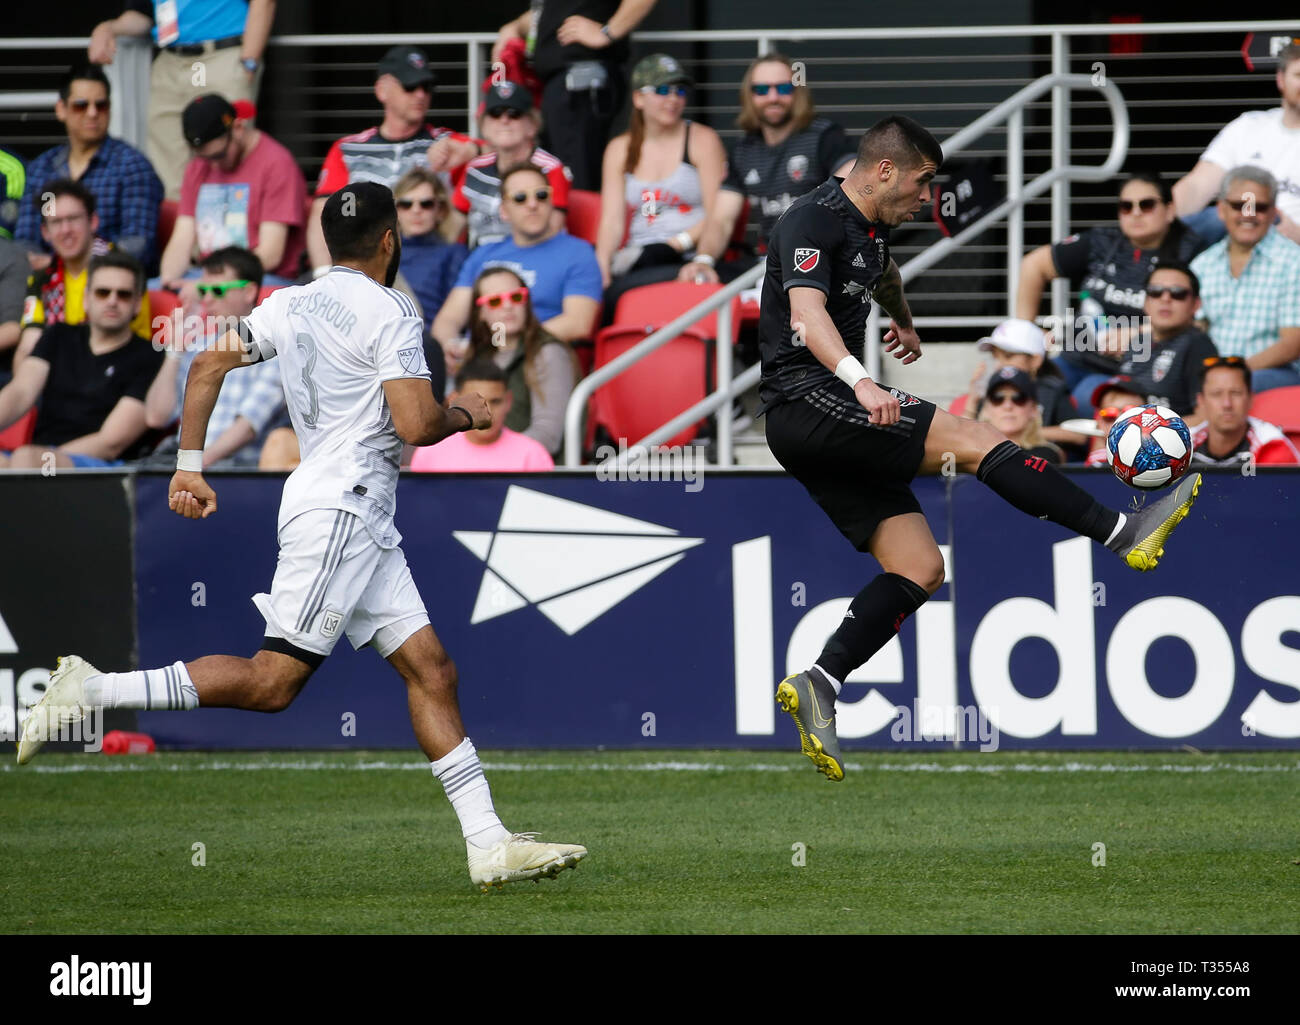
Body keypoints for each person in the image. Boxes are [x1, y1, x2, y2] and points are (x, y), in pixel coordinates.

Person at [15, 181, 588, 894]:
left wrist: (187, 466)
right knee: (272, 681)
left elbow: (205, 364)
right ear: (388, 240)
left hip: (350, 512)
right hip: (344, 508)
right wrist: (464, 412)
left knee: (433, 671)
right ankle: (93, 687)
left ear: (325, 242)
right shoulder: (393, 308)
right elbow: (414, 425)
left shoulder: (288, 302)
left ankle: (488, 843)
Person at [759, 116, 1203, 782]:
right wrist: (861, 380)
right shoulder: (809, 219)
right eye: (922, 181)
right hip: (808, 398)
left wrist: (902, 317)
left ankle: (822, 680)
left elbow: (879, 271)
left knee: (919, 567)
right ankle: (1124, 531)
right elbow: (807, 314)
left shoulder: (872, 225)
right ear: (884, 170)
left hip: (820, 418)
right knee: (975, 439)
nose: (927, 197)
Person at [1017, 171, 1207, 411]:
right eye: (1126, 206)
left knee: (1087, 399)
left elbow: (1203, 320)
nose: (1136, 213)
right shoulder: (1101, 240)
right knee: (1027, 392)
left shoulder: (1192, 251)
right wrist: (1026, 336)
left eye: (1146, 205)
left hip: (1136, 369)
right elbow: (1033, 265)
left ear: (1169, 210)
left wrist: (1140, 333)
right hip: (1075, 356)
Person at [681, 52, 858, 284]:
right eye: (762, 90)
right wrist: (703, 260)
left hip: (820, 257)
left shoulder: (824, 136)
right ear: (749, 96)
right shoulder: (743, 150)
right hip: (769, 264)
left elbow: (854, 182)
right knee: (700, 281)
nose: (773, 97)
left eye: (783, 89)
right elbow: (721, 219)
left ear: (797, 92)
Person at [306, 46, 482, 276]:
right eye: (410, 86)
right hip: (361, 266)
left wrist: (472, 149)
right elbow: (324, 213)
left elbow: (507, 147)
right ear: (382, 90)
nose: (420, 95)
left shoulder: (448, 143)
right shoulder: (348, 149)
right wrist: (323, 273)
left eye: (426, 87)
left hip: (431, 267)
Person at [88, 0, 276, 199]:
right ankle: (179, 229)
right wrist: (108, 27)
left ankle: (233, 228)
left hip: (222, 55)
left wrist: (249, 61)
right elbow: (141, 14)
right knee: (167, 169)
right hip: (172, 60)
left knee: (228, 157)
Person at [0, 251, 162, 469]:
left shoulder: (151, 356)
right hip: (37, 459)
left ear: (137, 304)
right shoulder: (58, 335)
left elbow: (110, 443)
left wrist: (42, 461)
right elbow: (20, 392)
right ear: (86, 299)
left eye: (123, 295)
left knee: (25, 458)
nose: (112, 301)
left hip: (103, 469)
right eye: (103, 293)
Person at [433, 164, 601, 373]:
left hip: (532, 361)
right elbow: (449, 318)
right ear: (504, 210)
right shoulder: (484, 253)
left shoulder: (578, 252)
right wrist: (450, 346)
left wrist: (505, 345)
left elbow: (578, 323)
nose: (532, 205)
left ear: (552, 201)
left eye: (541, 195)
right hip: (475, 364)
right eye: (520, 198)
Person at [595, 54, 726, 315]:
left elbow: (719, 214)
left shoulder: (702, 139)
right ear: (638, 98)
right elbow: (611, 221)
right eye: (663, 90)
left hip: (689, 257)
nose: (673, 99)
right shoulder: (619, 149)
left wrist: (678, 243)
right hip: (639, 259)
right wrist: (601, 267)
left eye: (680, 91)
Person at [493, 0, 659, 191]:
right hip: (557, 85)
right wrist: (514, 27)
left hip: (580, 82)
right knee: (560, 176)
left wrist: (607, 32)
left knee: (576, 182)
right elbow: (547, 13)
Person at [142, 246, 284, 468]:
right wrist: (174, 351)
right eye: (202, 291)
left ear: (249, 292)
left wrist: (194, 465)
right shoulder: (198, 345)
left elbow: (248, 426)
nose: (207, 300)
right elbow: (156, 417)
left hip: (236, 469)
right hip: (188, 466)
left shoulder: (273, 347)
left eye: (217, 290)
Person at [13, 64, 162, 270]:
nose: (92, 113)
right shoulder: (42, 168)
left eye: (101, 105)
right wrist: (55, 270)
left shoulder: (133, 166)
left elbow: (138, 245)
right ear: (61, 110)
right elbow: (25, 240)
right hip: (49, 284)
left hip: (111, 288)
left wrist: (74, 264)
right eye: (81, 105)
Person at [159, 94, 307, 290]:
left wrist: (209, 285)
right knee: (149, 290)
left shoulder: (277, 163)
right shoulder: (198, 167)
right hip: (206, 275)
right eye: (204, 158)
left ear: (237, 127)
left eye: (218, 155)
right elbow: (181, 238)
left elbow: (270, 255)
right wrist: (168, 280)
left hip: (261, 278)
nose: (213, 164)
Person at [13, 180, 152, 372]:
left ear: (93, 222)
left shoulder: (123, 270)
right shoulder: (42, 278)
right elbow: (28, 346)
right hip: (55, 381)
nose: (66, 230)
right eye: (56, 222)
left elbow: (134, 348)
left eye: (73, 219)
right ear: (45, 232)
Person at [1173, 42, 1300, 246]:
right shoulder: (1248, 126)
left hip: (1289, 243)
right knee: (1213, 217)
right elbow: (1197, 187)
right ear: (1281, 80)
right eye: (1299, 76)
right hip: (1238, 231)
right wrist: (1161, 217)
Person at [1189, 166, 1300, 394]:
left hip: (1274, 373)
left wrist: (1233, 373)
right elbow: (1193, 330)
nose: (1248, 213)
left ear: (1273, 213)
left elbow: (1293, 344)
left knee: (1235, 389)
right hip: (1213, 374)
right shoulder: (1202, 264)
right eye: (1239, 205)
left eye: (1259, 207)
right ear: (1221, 209)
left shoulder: (1294, 262)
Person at [463, 266, 577, 456]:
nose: (508, 306)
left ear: (526, 303)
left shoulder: (548, 352)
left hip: (533, 477)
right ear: (480, 312)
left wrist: (491, 457)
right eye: (495, 301)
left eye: (516, 297)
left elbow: (548, 436)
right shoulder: (477, 357)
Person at [451, 80, 571, 249]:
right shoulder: (474, 168)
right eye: (495, 113)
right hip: (478, 261)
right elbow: (453, 228)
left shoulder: (550, 169)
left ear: (532, 125)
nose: (504, 120)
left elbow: (552, 231)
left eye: (514, 114)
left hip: (532, 259)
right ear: (484, 126)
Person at [410, 359, 554, 471]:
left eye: (496, 401)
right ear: (454, 400)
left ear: (508, 401)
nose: (488, 411)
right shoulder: (430, 454)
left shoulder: (532, 455)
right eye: (477, 402)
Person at [1115, 264, 1218, 417]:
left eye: (1178, 293)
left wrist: (1154, 434)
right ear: (1145, 302)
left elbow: (1206, 419)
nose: (1165, 298)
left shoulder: (1199, 346)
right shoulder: (1138, 341)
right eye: (1155, 292)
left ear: (1196, 304)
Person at [960, 318, 1075, 440]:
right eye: (995, 357)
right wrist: (972, 400)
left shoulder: (1051, 389)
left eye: (1008, 356)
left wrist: (1025, 434)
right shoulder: (990, 389)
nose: (999, 364)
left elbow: (1077, 434)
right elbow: (961, 439)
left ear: (1035, 360)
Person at [393, 168, 467, 342]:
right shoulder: (379, 254)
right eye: (406, 204)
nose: (416, 210)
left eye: (426, 204)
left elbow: (457, 319)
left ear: (440, 210)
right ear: (395, 211)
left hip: (428, 346)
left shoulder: (454, 254)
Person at [1188, 356, 1300, 466]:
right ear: (1201, 401)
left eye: (1236, 393)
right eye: (1217, 394)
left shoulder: (1273, 447)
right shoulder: (1184, 444)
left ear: (1251, 399)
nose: (1227, 404)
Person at [978, 366, 1064, 465]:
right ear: (986, 409)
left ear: (1034, 409)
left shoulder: (1047, 453)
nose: (1008, 406)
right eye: (997, 398)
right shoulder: (969, 452)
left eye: (1018, 398)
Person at [1082, 377, 1147, 467]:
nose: (1118, 422)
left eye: (1129, 413)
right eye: (1109, 414)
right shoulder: (1096, 464)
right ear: (1099, 422)